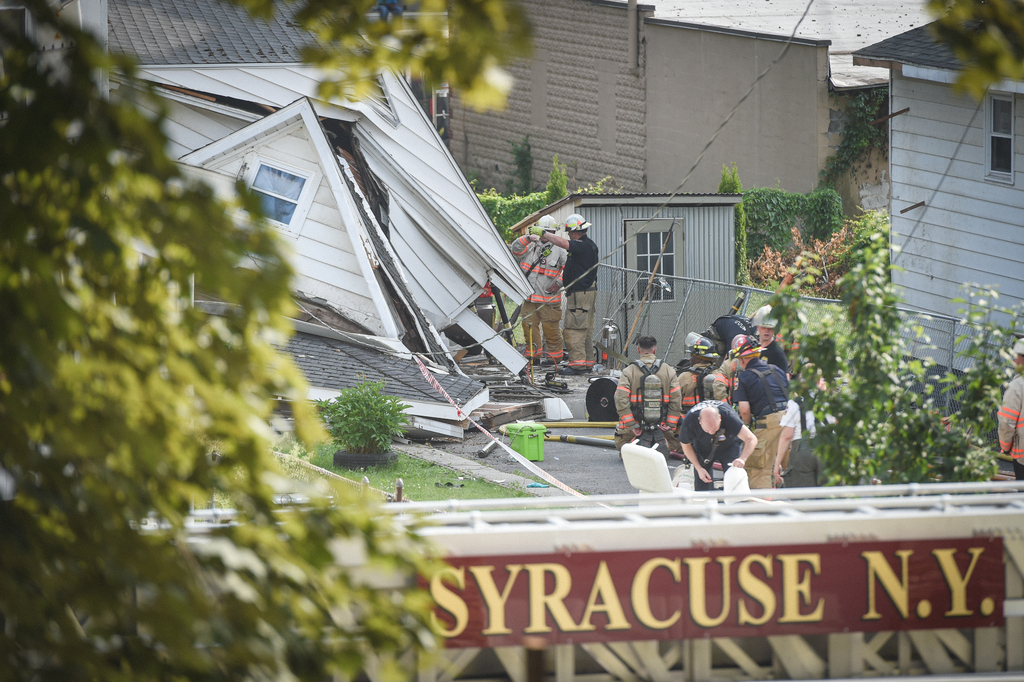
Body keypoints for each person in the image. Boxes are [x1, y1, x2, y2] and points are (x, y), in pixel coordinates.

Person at [541, 213, 599, 374]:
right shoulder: (588, 245)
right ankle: (587, 362)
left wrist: (544, 233)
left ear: (574, 232)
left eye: (569, 232)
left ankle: (577, 365)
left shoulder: (583, 246)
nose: (568, 235)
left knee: (574, 329)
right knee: (585, 330)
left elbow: (563, 243)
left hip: (580, 295)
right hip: (585, 293)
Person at [732, 334, 789, 489]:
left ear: (742, 360)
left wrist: (748, 425)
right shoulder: (777, 370)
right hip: (790, 421)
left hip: (768, 423)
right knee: (791, 468)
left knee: (758, 469)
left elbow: (744, 410)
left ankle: (763, 503)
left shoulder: (744, 377)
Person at [509, 216, 567, 365]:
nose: (545, 234)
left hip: (549, 299)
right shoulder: (531, 244)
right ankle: (533, 356)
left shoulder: (560, 248)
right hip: (530, 298)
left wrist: (559, 283)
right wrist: (528, 238)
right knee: (528, 327)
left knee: (551, 329)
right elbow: (515, 250)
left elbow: (568, 269)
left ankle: (554, 359)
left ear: (553, 232)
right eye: (542, 231)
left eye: (548, 231)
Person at [614, 336, 682, 455]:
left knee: (622, 445)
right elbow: (676, 400)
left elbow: (620, 399)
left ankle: (634, 444)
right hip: (662, 428)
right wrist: (670, 424)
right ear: (655, 350)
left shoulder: (628, 371)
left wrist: (632, 425)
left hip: (634, 430)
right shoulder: (669, 371)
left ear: (638, 350)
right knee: (676, 443)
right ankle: (663, 443)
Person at [678, 401, 758, 491]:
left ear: (720, 418)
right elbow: (685, 445)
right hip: (703, 447)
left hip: (729, 446)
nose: (712, 432)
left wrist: (742, 458)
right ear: (699, 421)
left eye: (715, 428)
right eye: (707, 430)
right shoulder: (690, 421)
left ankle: (733, 497)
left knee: (734, 479)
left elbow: (751, 439)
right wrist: (698, 468)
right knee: (703, 483)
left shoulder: (729, 417)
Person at [773, 397, 822, 488]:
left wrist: (777, 463)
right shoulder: (831, 400)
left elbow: (786, 436)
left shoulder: (794, 403)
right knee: (831, 491)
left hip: (802, 449)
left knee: (805, 492)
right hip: (827, 448)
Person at [676, 333, 725, 410]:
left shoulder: (684, 377)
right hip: (713, 415)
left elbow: (675, 400)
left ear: (698, 359)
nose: (690, 359)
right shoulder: (719, 375)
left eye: (692, 355)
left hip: (688, 416)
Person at [998, 337, 1024, 480]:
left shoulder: (1017, 387)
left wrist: (1005, 446)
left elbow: (1006, 422)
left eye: (1015, 356)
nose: (1013, 360)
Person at [750, 305, 790, 376]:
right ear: (757, 327)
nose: (767, 331)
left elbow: (786, 377)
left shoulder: (777, 352)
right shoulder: (752, 346)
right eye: (764, 327)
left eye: (770, 328)